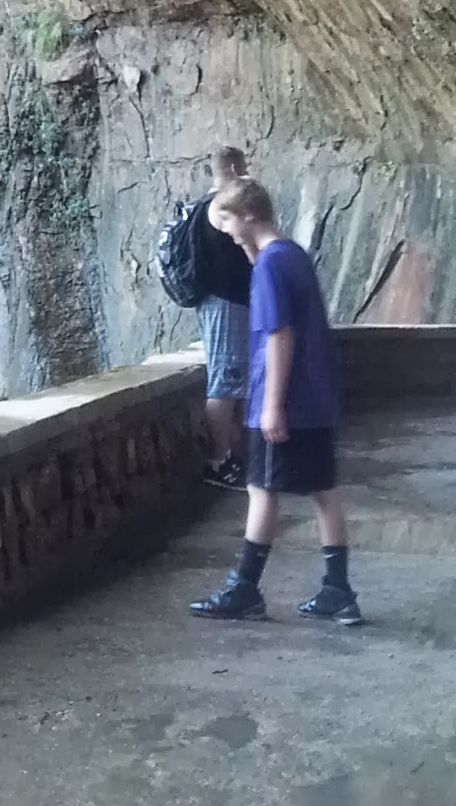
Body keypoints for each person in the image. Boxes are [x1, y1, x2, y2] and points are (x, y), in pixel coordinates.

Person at [189, 174, 362, 625]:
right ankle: (337, 590)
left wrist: (270, 405)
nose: (224, 230)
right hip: (317, 400)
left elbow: (279, 334)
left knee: (261, 489)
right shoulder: (291, 255)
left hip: (286, 401)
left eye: (226, 220)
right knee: (324, 491)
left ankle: (245, 590)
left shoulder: (270, 266)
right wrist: (250, 252)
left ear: (248, 216)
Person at [193, 144, 254, 492]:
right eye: (242, 168)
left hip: (227, 303)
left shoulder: (210, 205)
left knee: (233, 381)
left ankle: (233, 454)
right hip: (224, 303)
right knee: (224, 381)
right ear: (232, 169)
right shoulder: (219, 207)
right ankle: (218, 460)